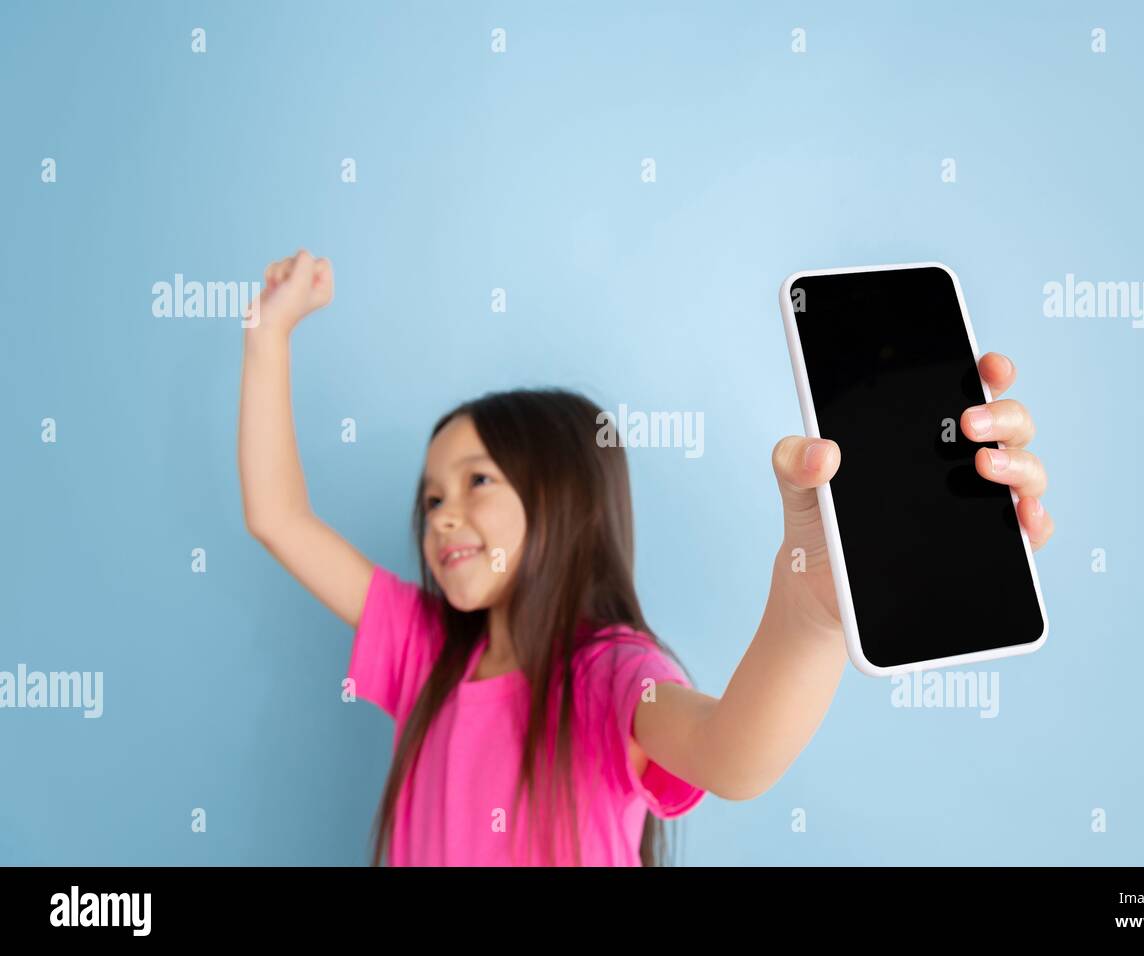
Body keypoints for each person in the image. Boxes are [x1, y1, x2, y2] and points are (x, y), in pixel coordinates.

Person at [237, 250, 1055, 866]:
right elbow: (278, 518)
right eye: (431, 499)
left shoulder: (608, 675)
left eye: (476, 480)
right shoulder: (424, 652)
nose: (443, 516)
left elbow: (732, 754)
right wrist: (268, 336)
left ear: (565, 496)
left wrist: (808, 614)